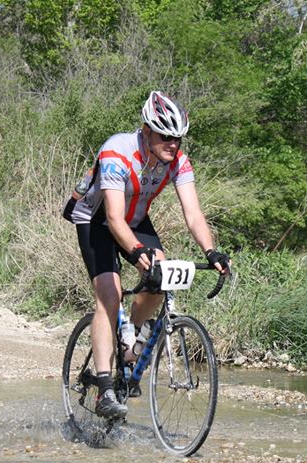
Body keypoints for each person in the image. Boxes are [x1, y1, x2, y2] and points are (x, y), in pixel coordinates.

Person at [64, 91, 231, 418]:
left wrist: (211, 251)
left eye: (178, 138)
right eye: (165, 136)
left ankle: (129, 346)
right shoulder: (117, 152)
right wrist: (137, 250)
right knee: (109, 297)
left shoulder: (178, 161)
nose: (173, 143)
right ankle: (104, 388)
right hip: (96, 219)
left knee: (161, 274)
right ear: (146, 131)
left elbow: (194, 215)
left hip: (134, 219)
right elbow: (112, 217)